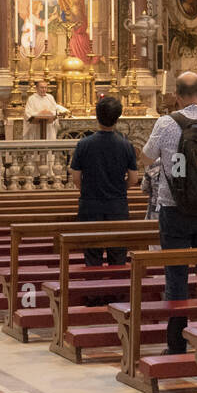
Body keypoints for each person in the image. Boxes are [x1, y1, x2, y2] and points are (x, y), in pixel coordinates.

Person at [138, 72, 197, 355]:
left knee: (175, 276)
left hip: (173, 208)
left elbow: (146, 158)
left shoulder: (166, 123)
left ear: (176, 96)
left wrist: (171, 169)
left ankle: (176, 343)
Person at [69, 96, 138, 266]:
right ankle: (117, 292)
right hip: (117, 206)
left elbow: (76, 178)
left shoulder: (83, 144)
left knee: (92, 256)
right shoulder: (126, 145)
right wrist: (120, 189)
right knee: (118, 258)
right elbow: (134, 178)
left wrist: (88, 191)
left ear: (96, 115)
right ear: (118, 118)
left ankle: (93, 292)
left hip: (90, 205)